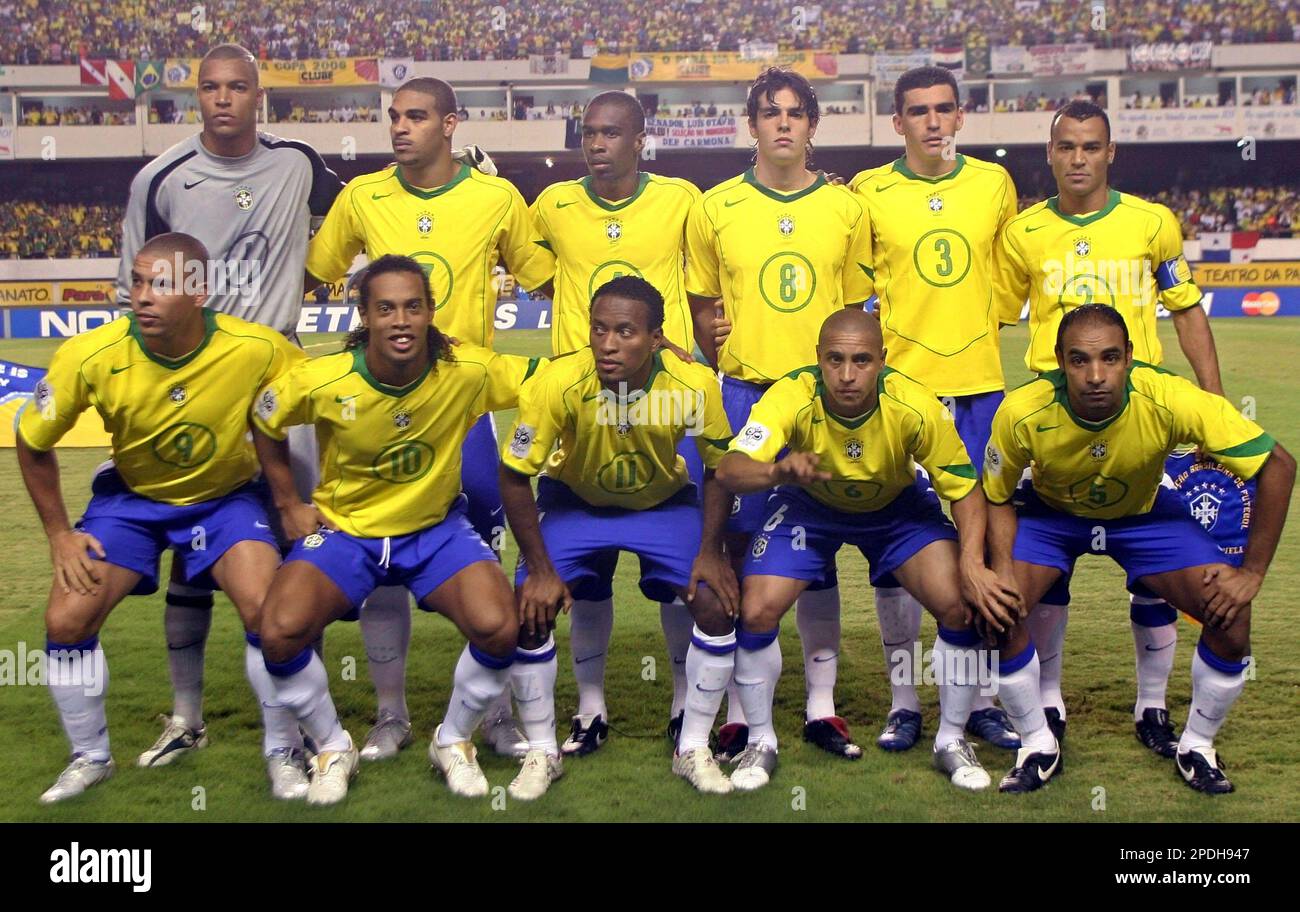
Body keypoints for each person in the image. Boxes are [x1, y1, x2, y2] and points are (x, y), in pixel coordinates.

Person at [305, 76, 554, 762]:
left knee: (483, 560)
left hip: (463, 407)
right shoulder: (363, 196)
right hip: (382, 411)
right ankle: (391, 715)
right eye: (394, 116)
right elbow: (319, 266)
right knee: (379, 555)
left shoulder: (496, 197)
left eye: (415, 116)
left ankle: (495, 713)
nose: (399, 127)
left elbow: (548, 275)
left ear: (451, 123)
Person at [117, 43, 342, 772]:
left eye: (237, 87)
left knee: (302, 543)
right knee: (191, 550)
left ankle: (306, 718)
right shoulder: (161, 178)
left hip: (278, 372)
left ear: (259, 96)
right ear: (196, 95)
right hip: (195, 379)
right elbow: (135, 285)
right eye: (210, 87)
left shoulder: (298, 163)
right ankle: (187, 716)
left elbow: (368, 212)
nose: (223, 99)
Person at [18, 233, 305, 803]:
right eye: (138, 282)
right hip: (132, 500)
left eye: (161, 284)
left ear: (199, 291)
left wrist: (295, 504)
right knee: (66, 620)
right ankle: (92, 757)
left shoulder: (260, 349)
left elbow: (317, 409)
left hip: (227, 498)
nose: (142, 296)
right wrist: (59, 534)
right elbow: (32, 441)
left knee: (270, 613)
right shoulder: (90, 355)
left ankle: (284, 750)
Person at [252, 255, 546, 805]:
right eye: (385, 308)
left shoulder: (467, 371)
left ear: (432, 312)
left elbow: (549, 377)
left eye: (414, 307)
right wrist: (288, 501)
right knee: (280, 631)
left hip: (434, 529)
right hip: (348, 533)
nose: (401, 320)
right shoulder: (322, 378)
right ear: (363, 315)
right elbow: (265, 417)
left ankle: (453, 740)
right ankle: (332, 747)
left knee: (499, 627)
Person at [983, 305, 1293, 793]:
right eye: (1080, 361)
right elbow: (996, 494)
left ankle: (1197, 745)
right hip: (1052, 516)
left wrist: (1250, 574)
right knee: (998, 610)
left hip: (1144, 514)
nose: (1096, 376)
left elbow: (1277, 465)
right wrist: (999, 568)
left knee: (1230, 619)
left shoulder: (1169, 396)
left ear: (1130, 356)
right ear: (1058, 362)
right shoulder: (1024, 410)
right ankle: (1037, 743)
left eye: (1110, 358)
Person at [997, 100, 1225, 752]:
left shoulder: (1153, 223)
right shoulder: (1024, 234)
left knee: (1152, 571)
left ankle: (1150, 705)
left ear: (1110, 152)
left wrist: (1213, 405)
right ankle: (1048, 699)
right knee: (1047, 570)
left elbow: (1186, 311)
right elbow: (993, 315)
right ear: (1050, 152)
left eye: (1090, 147)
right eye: (1066, 147)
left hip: (1142, 421)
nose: (1077, 159)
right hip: (1056, 421)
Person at [715, 309, 1017, 791]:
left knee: (961, 604)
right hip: (808, 507)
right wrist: (778, 472)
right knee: (756, 610)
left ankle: (951, 740)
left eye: (861, 360)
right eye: (835, 360)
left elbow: (963, 488)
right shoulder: (792, 394)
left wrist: (973, 564)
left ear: (882, 360)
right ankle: (761, 740)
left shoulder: (913, 404)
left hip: (894, 510)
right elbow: (730, 470)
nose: (848, 375)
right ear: (818, 359)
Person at [686, 67, 874, 761]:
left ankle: (822, 708)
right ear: (753, 124)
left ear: (813, 125)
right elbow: (707, 307)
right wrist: (725, 348)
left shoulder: (846, 210)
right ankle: (740, 708)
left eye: (796, 112)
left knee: (816, 554)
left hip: (822, 404)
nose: (784, 123)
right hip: (745, 395)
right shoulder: (715, 207)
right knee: (737, 548)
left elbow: (856, 312)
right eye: (770, 113)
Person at [500, 276, 740, 793]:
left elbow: (720, 469)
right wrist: (540, 570)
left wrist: (711, 552)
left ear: (656, 338)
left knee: (715, 604)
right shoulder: (557, 381)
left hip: (661, 502)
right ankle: (546, 749)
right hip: (576, 502)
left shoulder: (693, 383)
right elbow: (515, 474)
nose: (608, 344)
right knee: (529, 607)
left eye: (626, 332)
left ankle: (693, 743)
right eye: (599, 330)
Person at [847, 65, 1021, 752]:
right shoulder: (870, 191)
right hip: (904, 397)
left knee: (974, 546)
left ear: (961, 115)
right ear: (897, 122)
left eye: (943, 109)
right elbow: (858, 288)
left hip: (980, 391)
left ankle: (978, 698)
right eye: (917, 111)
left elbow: (1009, 284)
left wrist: (973, 328)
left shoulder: (993, 185)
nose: (932, 122)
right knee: (895, 550)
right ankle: (902, 701)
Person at [529, 90, 704, 755]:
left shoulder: (682, 199)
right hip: (579, 404)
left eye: (610, 134)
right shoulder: (552, 204)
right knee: (590, 570)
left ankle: (687, 704)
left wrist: (688, 338)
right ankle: (591, 709)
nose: (597, 144)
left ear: (639, 139)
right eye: (588, 134)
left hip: (662, 402)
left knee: (677, 572)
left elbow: (710, 279)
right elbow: (538, 269)